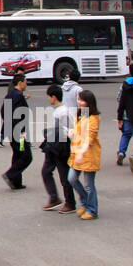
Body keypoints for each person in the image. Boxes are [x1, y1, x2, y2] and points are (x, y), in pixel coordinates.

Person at [40, 85, 77, 213]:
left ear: (54, 97)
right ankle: (54, 198)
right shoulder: (57, 110)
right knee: (46, 171)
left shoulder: (63, 112)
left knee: (64, 176)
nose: (48, 99)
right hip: (52, 145)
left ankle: (70, 203)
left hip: (60, 146)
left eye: (49, 97)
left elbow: (67, 131)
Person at [67, 89, 101, 220]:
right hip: (77, 153)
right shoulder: (81, 114)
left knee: (88, 184)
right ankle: (86, 203)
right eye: (78, 99)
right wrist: (72, 133)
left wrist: (81, 152)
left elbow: (89, 137)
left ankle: (92, 210)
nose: (79, 102)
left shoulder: (94, 118)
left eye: (82, 100)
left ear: (89, 102)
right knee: (72, 178)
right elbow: (79, 132)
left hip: (88, 155)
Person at [1, 72, 32, 189]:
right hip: (19, 133)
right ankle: (10, 175)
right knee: (26, 156)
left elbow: (4, 111)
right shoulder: (18, 96)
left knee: (18, 155)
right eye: (25, 82)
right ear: (20, 83)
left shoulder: (10, 95)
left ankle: (16, 182)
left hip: (10, 130)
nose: (26, 85)